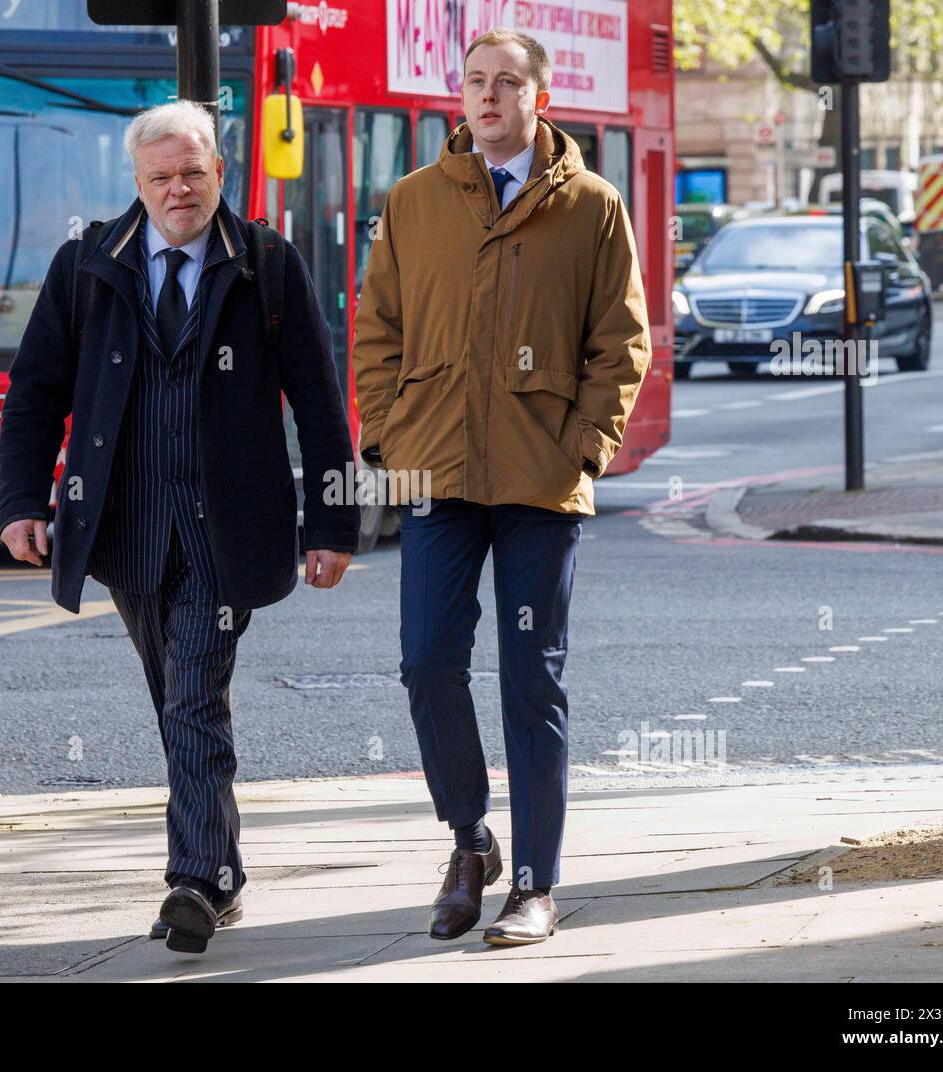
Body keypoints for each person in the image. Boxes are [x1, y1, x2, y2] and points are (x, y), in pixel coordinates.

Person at [0, 100, 359, 954]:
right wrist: (19, 503)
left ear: (219, 172)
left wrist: (334, 521)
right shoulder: (87, 264)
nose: (178, 189)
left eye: (192, 172)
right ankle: (224, 871)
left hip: (228, 530)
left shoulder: (267, 264)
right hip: (125, 529)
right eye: (160, 177)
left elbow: (318, 398)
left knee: (192, 693)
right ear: (138, 183)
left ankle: (192, 879)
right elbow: (35, 390)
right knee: (179, 704)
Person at [352, 28, 652, 946]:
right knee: (427, 662)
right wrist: (388, 435)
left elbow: (622, 345)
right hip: (437, 472)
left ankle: (534, 885)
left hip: (539, 480)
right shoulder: (412, 203)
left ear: (539, 98)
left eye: (506, 83)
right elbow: (376, 334)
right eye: (475, 81)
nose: (486, 96)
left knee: (533, 681)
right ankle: (468, 838)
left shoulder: (594, 208)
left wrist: (582, 452)